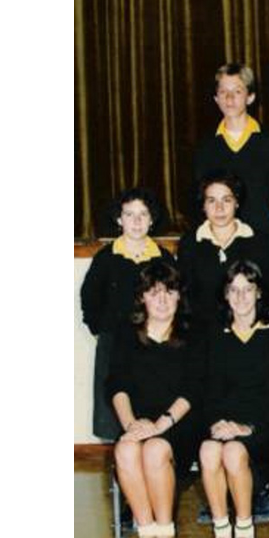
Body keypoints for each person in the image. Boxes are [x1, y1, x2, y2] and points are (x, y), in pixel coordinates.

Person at [107, 259, 201, 538]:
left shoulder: (194, 332)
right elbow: (117, 385)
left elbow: (194, 388)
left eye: (169, 292)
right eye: (153, 292)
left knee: (155, 448)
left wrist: (160, 425)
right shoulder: (126, 332)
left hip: (181, 422)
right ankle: (145, 534)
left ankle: (166, 536)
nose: (161, 300)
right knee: (125, 449)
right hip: (140, 420)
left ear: (179, 297)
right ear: (142, 298)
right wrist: (131, 426)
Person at [196, 260, 269, 538]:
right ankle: (222, 537)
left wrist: (246, 427)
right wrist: (217, 424)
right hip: (223, 425)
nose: (241, 297)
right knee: (209, 449)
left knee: (233, 451)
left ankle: (245, 536)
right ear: (226, 294)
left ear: (259, 293)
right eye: (234, 290)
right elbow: (206, 391)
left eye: (248, 289)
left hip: (263, 429)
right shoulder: (215, 335)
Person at [81, 188, 172, 441]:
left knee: (147, 399)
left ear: (152, 220)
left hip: (151, 342)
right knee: (113, 404)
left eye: (143, 214)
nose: (136, 221)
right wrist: (102, 329)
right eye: (129, 214)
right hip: (114, 341)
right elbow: (89, 298)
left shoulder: (162, 257)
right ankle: (118, 466)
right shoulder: (106, 258)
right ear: (119, 219)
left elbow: (174, 296)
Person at [177, 171, 269, 332]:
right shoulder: (190, 243)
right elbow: (185, 296)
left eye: (226, 200)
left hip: (250, 329)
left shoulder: (258, 241)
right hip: (203, 331)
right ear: (203, 205)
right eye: (211, 201)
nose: (219, 208)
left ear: (237, 203)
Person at [193, 63, 269, 232]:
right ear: (216, 98)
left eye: (237, 92)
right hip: (221, 236)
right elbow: (201, 197)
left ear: (250, 97)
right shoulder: (205, 147)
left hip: (261, 235)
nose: (229, 99)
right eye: (223, 92)